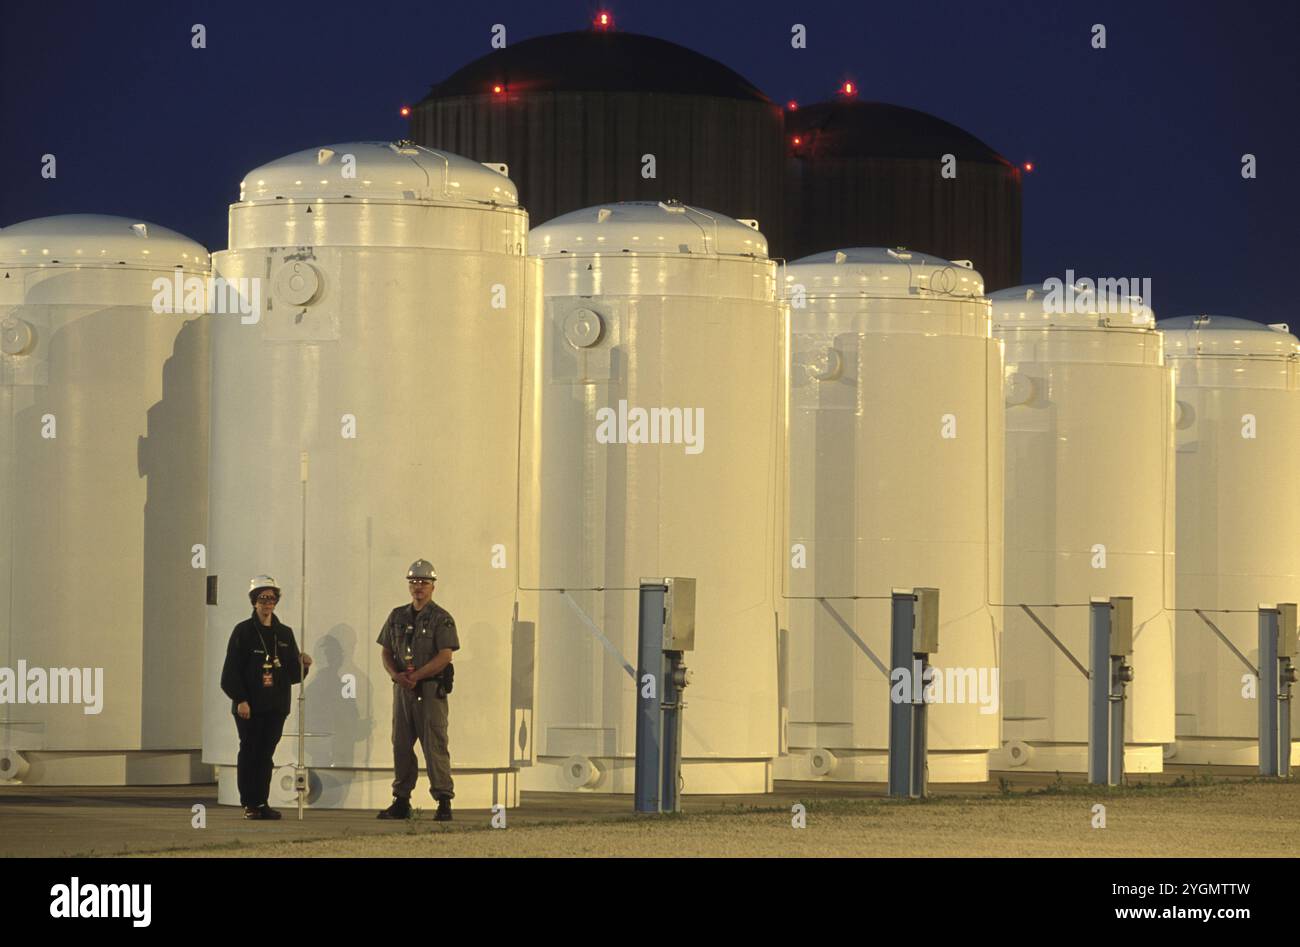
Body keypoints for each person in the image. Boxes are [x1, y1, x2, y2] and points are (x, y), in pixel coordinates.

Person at [220, 575, 312, 820]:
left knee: (266, 755)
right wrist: (240, 699)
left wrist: (304, 665)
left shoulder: (284, 633)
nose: (267, 603)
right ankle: (250, 803)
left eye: (271, 598)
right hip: (249, 707)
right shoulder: (243, 632)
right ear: (254, 601)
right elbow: (230, 672)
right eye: (262, 598)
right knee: (249, 752)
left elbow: (292, 675)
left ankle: (261, 802)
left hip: (276, 707)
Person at [376, 559, 459, 821]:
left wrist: (417, 676)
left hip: (430, 690)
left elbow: (445, 656)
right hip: (403, 691)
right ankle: (401, 800)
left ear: (433, 585)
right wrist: (396, 676)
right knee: (400, 745)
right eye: (413, 582)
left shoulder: (441, 618)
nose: (418, 587)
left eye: (423, 582)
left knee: (434, 745)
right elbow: (387, 651)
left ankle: (443, 800)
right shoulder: (397, 616)